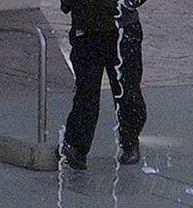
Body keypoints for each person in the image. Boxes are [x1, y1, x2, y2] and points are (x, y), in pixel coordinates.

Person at [60, 0, 148, 170]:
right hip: (87, 29)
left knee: (127, 91)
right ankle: (76, 147)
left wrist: (129, 4)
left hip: (121, 28)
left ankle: (130, 141)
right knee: (86, 93)